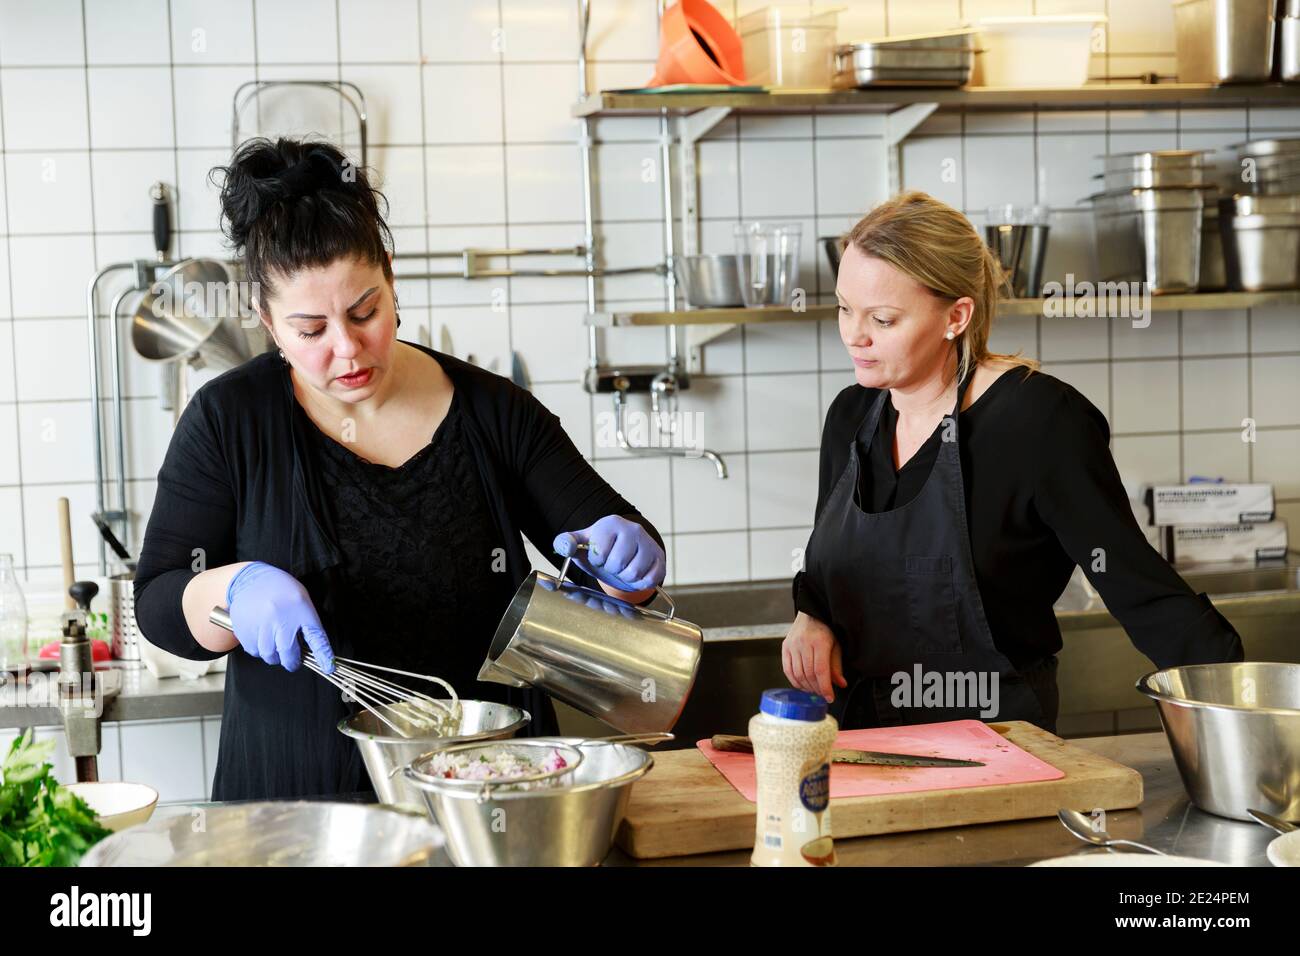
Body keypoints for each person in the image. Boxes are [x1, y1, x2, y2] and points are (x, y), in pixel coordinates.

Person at [133, 137, 666, 800]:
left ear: (390, 276)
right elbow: (157, 605)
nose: (347, 348)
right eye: (310, 329)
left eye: (365, 312)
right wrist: (230, 590)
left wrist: (630, 567)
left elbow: (616, 562)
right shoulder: (230, 420)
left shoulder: (493, 410)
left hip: (490, 797)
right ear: (268, 321)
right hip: (300, 808)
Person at [784, 191, 1243, 733]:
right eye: (844, 307)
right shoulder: (851, 416)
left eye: (882, 320)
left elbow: (1134, 584)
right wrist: (810, 617)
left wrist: (1241, 715)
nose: (853, 336)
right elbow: (829, 567)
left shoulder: (1039, 421)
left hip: (997, 748)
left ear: (957, 316)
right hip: (859, 744)